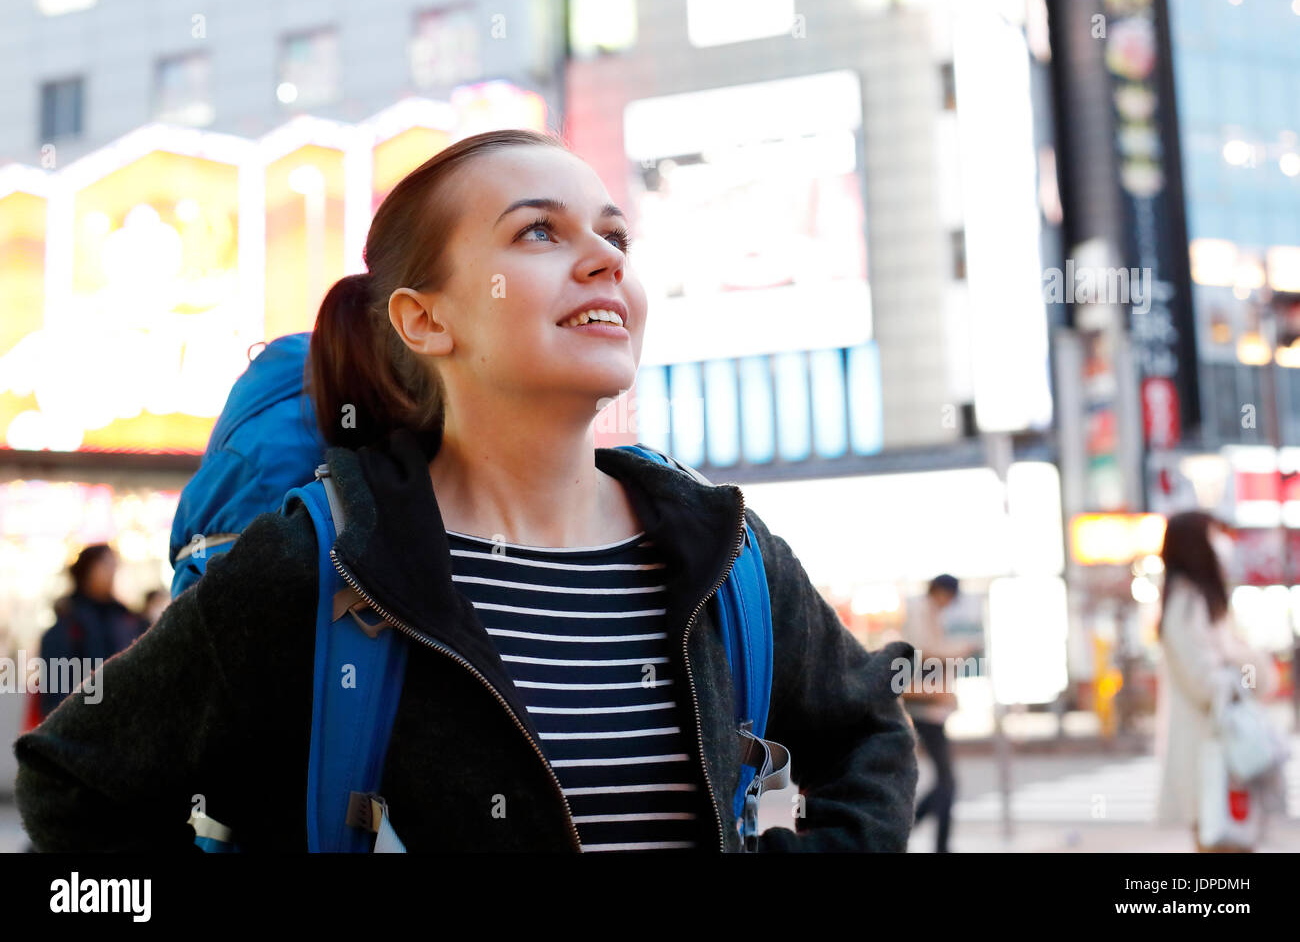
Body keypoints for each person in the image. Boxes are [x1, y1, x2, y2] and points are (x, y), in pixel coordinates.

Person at [14, 128, 919, 852]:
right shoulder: (322, 565)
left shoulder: (727, 554)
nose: (604, 257)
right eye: (539, 231)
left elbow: (868, 730)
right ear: (424, 318)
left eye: (615, 235)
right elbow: (74, 782)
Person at [1153, 511, 1280, 852]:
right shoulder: (1186, 607)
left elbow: (1247, 676)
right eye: (1213, 535)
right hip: (1208, 754)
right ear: (1197, 546)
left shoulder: (1204, 604)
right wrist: (1243, 663)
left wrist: (1244, 664)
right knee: (1222, 842)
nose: (1221, 545)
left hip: (1223, 752)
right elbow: (1206, 682)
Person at [901, 574, 979, 853]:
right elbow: (926, 652)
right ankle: (923, 838)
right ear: (942, 592)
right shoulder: (921, 611)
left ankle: (914, 834)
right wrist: (962, 649)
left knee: (947, 781)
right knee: (947, 782)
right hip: (924, 707)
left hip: (930, 708)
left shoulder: (927, 611)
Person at [36, 544, 148, 720]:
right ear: (87, 570)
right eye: (104, 564)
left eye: (113, 565)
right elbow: (56, 692)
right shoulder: (68, 623)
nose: (111, 571)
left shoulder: (126, 618)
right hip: (81, 725)